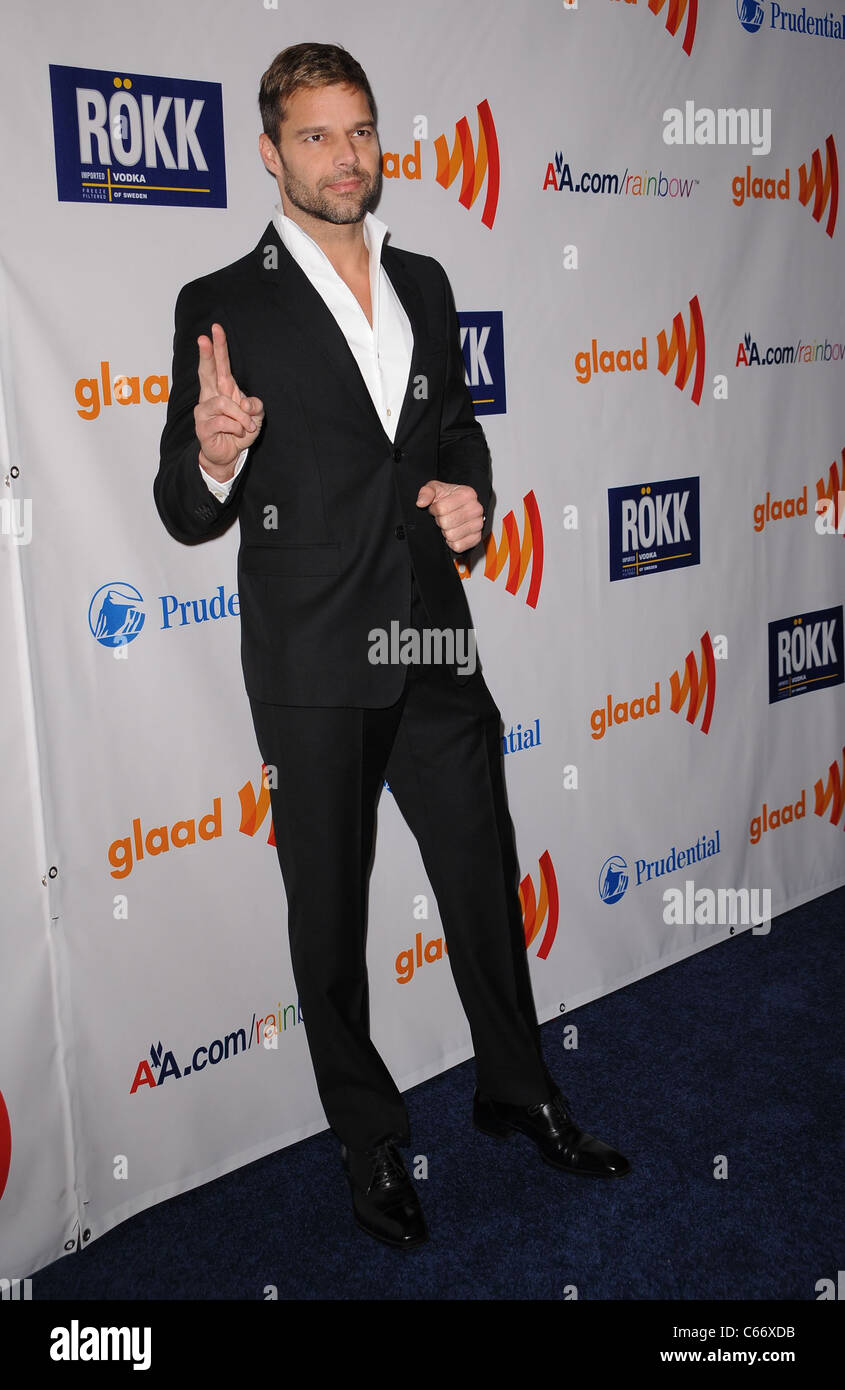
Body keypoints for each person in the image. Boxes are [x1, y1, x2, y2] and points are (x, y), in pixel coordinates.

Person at [155, 41, 630, 1251]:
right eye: (314, 136)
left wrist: (466, 498)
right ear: (269, 154)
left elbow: (456, 434)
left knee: (481, 873)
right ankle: (369, 1139)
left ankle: (517, 1086)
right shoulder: (222, 304)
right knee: (327, 918)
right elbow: (182, 502)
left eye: (357, 130)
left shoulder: (423, 276)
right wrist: (216, 453)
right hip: (313, 660)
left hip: (431, 632)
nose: (344, 156)